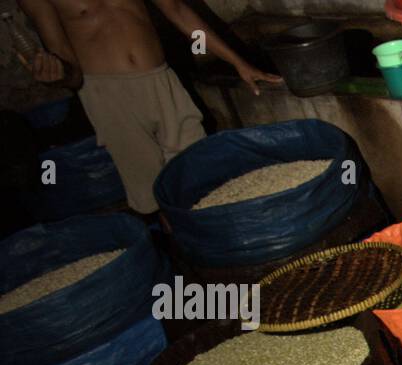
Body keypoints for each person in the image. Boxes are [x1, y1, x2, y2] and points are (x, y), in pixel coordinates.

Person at [18, 0, 281, 213]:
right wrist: (58, 74)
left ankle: (219, 247)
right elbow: (72, 75)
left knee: (203, 173)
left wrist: (238, 62)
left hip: (162, 79)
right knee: (156, 194)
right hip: (108, 95)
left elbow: (176, 9)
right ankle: (189, 265)